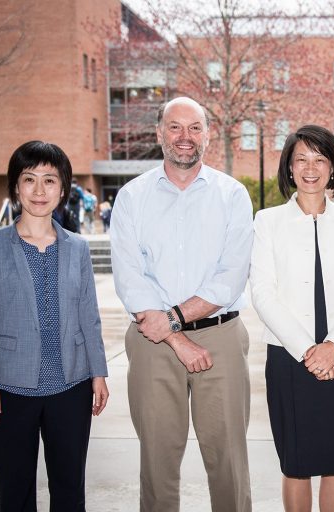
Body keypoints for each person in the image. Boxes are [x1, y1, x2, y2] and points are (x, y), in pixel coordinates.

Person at [110, 96, 254, 512]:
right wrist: (174, 336)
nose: (185, 137)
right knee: (156, 462)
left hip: (220, 338)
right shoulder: (133, 197)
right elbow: (129, 277)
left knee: (228, 459)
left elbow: (229, 277)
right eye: (175, 127)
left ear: (208, 135)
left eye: (194, 127)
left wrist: (173, 318)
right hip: (151, 343)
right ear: (159, 134)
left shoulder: (232, 195)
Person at [0, 140, 109, 510]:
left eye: (49, 180)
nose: (39, 190)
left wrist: (98, 373)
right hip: (10, 389)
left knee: (68, 488)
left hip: (71, 387)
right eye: (29, 179)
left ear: (63, 188)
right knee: (14, 493)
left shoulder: (77, 248)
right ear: (15, 186)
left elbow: (88, 316)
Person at [250, 125, 334, 511]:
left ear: (333, 168)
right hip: (291, 356)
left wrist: (333, 346)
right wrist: (310, 351)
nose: (310, 167)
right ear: (289, 168)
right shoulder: (267, 221)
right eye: (301, 158)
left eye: (320, 158)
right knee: (297, 461)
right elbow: (262, 293)